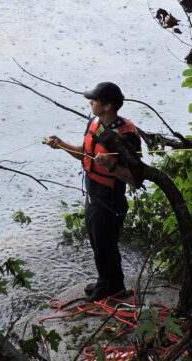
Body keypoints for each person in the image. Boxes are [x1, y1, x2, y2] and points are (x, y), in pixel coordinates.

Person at [44, 81, 141, 301]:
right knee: (98, 244)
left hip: (110, 199)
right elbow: (84, 153)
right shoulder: (94, 123)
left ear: (107, 106)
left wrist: (112, 166)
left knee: (107, 245)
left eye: (94, 101)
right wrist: (61, 145)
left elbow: (135, 178)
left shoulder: (126, 136)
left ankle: (113, 289)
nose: (90, 103)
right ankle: (104, 283)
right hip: (93, 195)